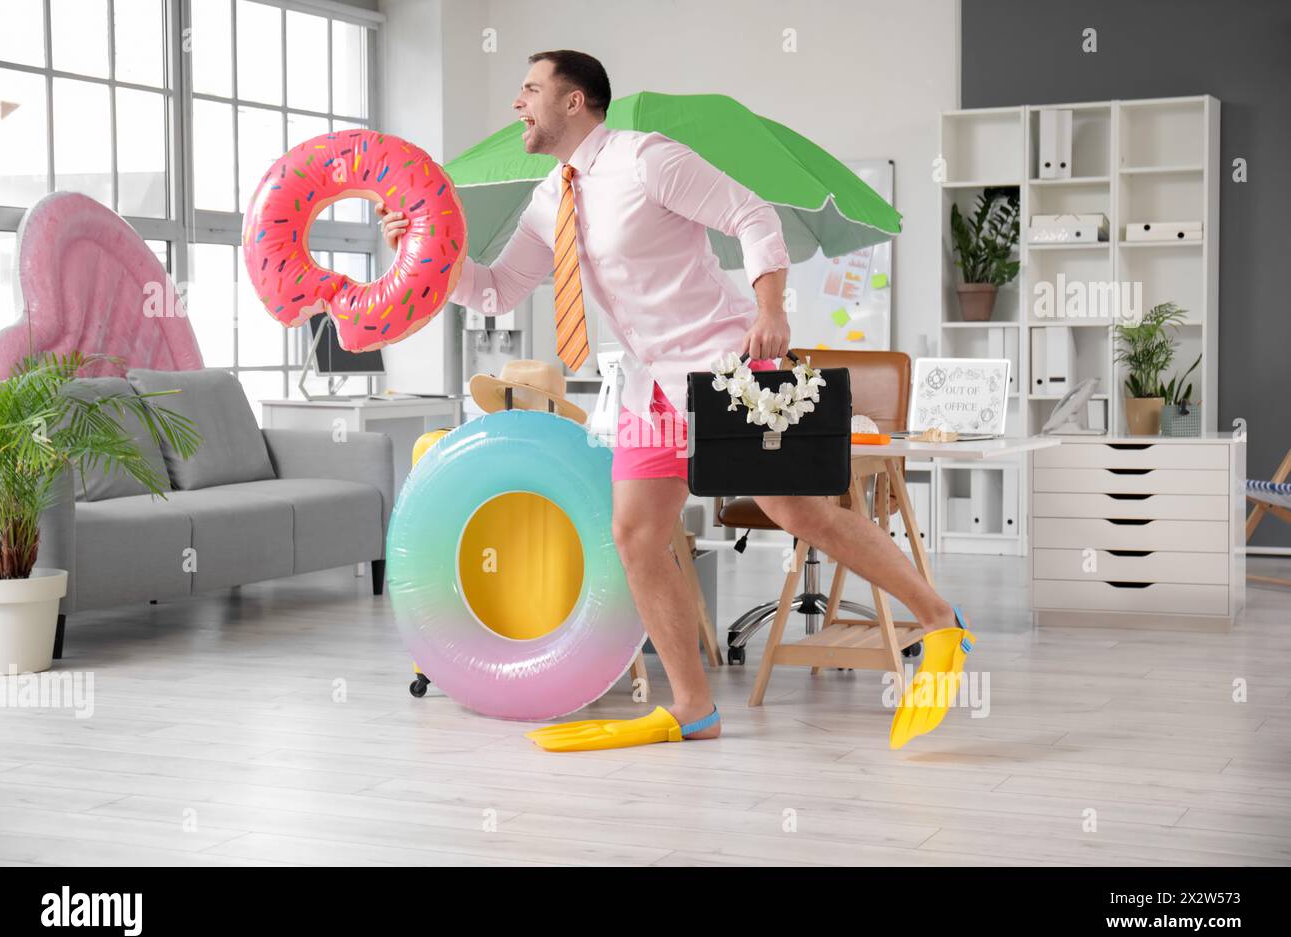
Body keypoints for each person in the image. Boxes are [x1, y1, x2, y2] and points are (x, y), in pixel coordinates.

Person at [379, 50, 965, 750]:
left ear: (575, 102)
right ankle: (694, 707)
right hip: (647, 385)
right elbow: (497, 289)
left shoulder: (648, 160)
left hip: (722, 365)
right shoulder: (550, 198)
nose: (518, 104)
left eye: (530, 88)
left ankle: (937, 618)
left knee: (798, 511)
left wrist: (770, 308)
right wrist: (423, 251)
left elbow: (750, 215)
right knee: (636, 536)